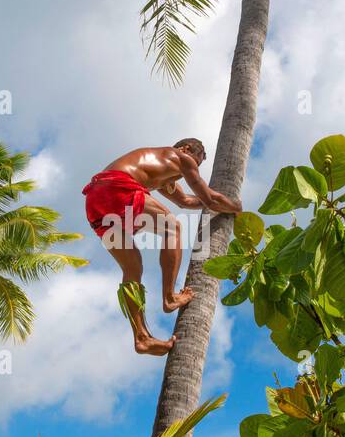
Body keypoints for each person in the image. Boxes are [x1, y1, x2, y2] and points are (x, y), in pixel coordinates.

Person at [82, 139, 242, 356]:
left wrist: (217, 203)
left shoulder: (162, 173)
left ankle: (142, 338)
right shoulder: (180, 157)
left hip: (95, 202)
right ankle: (170, 297)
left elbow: (186, 201)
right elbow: (210, 199)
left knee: (133, 269)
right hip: (118, 187)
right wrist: (236, 207)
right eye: (197, 162)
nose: (193, 169)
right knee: (173, 228)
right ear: (185, 149)